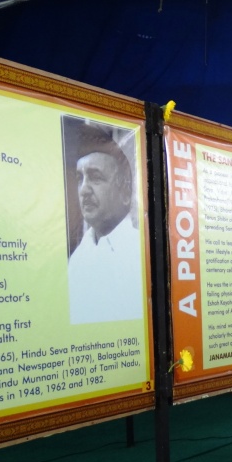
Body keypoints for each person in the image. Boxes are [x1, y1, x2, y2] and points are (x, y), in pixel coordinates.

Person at [68, 133, 144, 324]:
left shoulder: (140, 253)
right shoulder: (77, 259)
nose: (84, 190)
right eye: (80, 178)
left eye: (95, 177)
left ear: (125, 191)